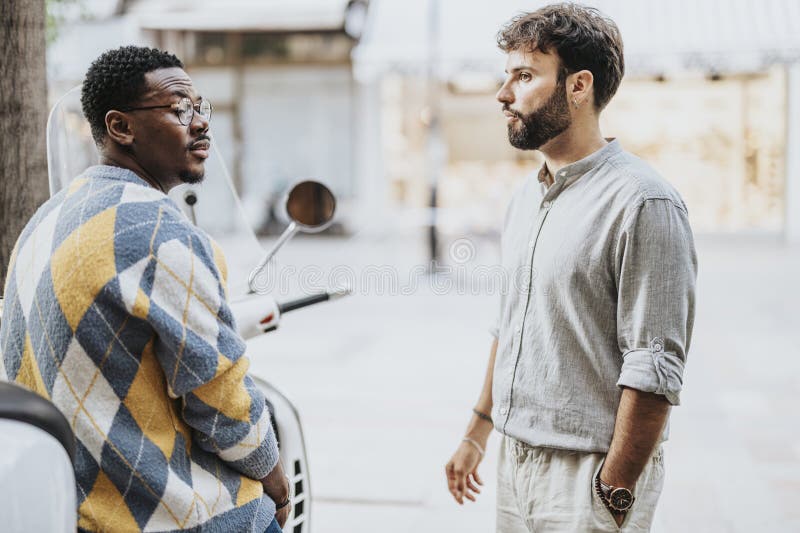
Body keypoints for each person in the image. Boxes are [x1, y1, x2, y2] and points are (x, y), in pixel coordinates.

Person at [0, 46, 290, 533]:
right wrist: (276, 481)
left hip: (74, 510)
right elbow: (222, 403)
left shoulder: (45, 221)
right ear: (121, 128)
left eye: (201, 107)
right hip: (174, 517)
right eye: (180, 108)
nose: (200, 122)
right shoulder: (158, 233)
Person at [445, 4, 697, 532]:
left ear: (578, 86)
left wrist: (615, 489)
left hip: (587, 474)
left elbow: (654, 367)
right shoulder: (525, 198)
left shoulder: (644, 202)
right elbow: (510, 324)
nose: (503, 94)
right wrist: (477, 431)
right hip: (515, 463)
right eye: (506, 75)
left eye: (524, 75)